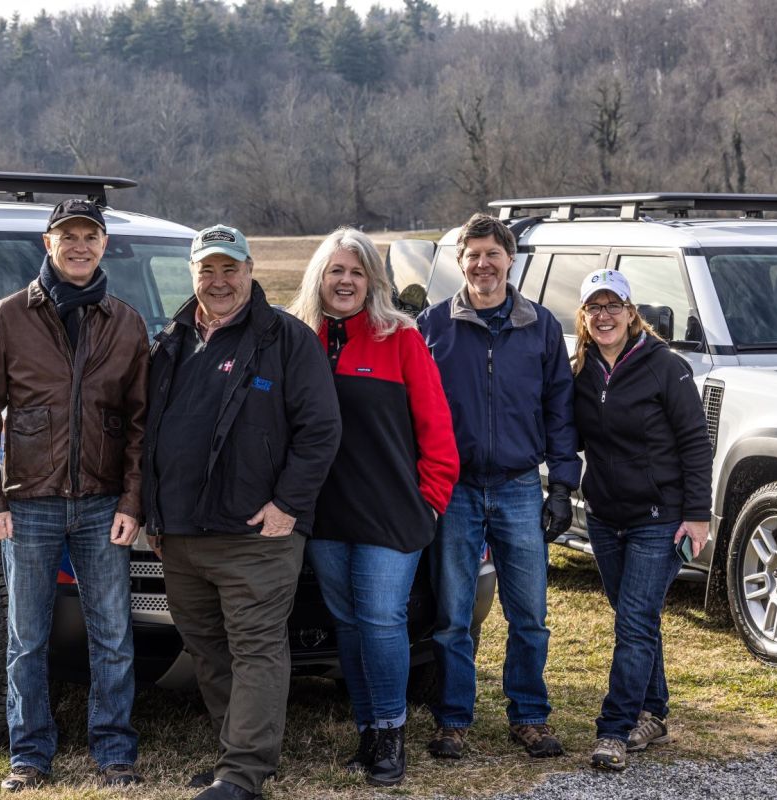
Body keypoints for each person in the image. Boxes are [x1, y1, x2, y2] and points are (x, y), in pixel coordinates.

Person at [143, 224, 341, 800]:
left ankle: (242, 774)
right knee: (207, 648)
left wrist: (288, 505)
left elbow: (321, 430)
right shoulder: (174, 340)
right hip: (180, 535)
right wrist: (157, 515)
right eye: (208, 269)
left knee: (255, 648)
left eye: (231, 268)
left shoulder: (286, 339)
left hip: (257, 535)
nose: (219, 280)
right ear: (193, 274)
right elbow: (151, 434)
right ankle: (235, 754)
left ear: (250, 271)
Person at [0, 198, 149, 792]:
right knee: (26, 638)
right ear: (48, 244)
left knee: (113, 634)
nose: (79, 245)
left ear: (103, 245)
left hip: (102, 506)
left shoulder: (125, 322)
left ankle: (114, 749)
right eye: (67, 235)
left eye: (90, 236)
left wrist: (131, 502)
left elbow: (141, 423)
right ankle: (30, 754)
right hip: (30, 503)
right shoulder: (9, 316)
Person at [286, 228, 459, 786]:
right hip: (325, 514)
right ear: (320, 277)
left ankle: (390, 732)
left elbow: (437, 430)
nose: (346, 281)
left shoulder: (401, 338)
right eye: (336, 270)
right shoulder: (297, 340)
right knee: (349, 623)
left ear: (372, 282)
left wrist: (431, 501)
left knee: (383, 620)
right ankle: (367, 730)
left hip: (390, 512)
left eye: (357, 272)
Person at [416, 212, 581, 759]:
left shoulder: (541, 326)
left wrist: (561, 487)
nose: (483, 265)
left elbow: (560, 412)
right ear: (459, 262)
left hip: (516, 485)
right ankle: (453, 720)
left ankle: (529, 716)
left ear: (511, 258)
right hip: (455, 489)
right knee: (453, 615)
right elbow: (415, 414)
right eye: (472, 256)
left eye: (493, 254)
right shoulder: (433, 326)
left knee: (529, 614)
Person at [571, 269, 712, 771]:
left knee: (633, 622)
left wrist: (698, 515)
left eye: (614, 305)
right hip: (606, 517)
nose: (604, 315)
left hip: (660, 517)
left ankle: (614, 730)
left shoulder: (665, 366)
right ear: (584, 316)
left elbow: (696, 442)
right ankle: (653, 712)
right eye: (594, 307)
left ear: (633, 313)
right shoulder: (580, 370)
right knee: (636, 618)